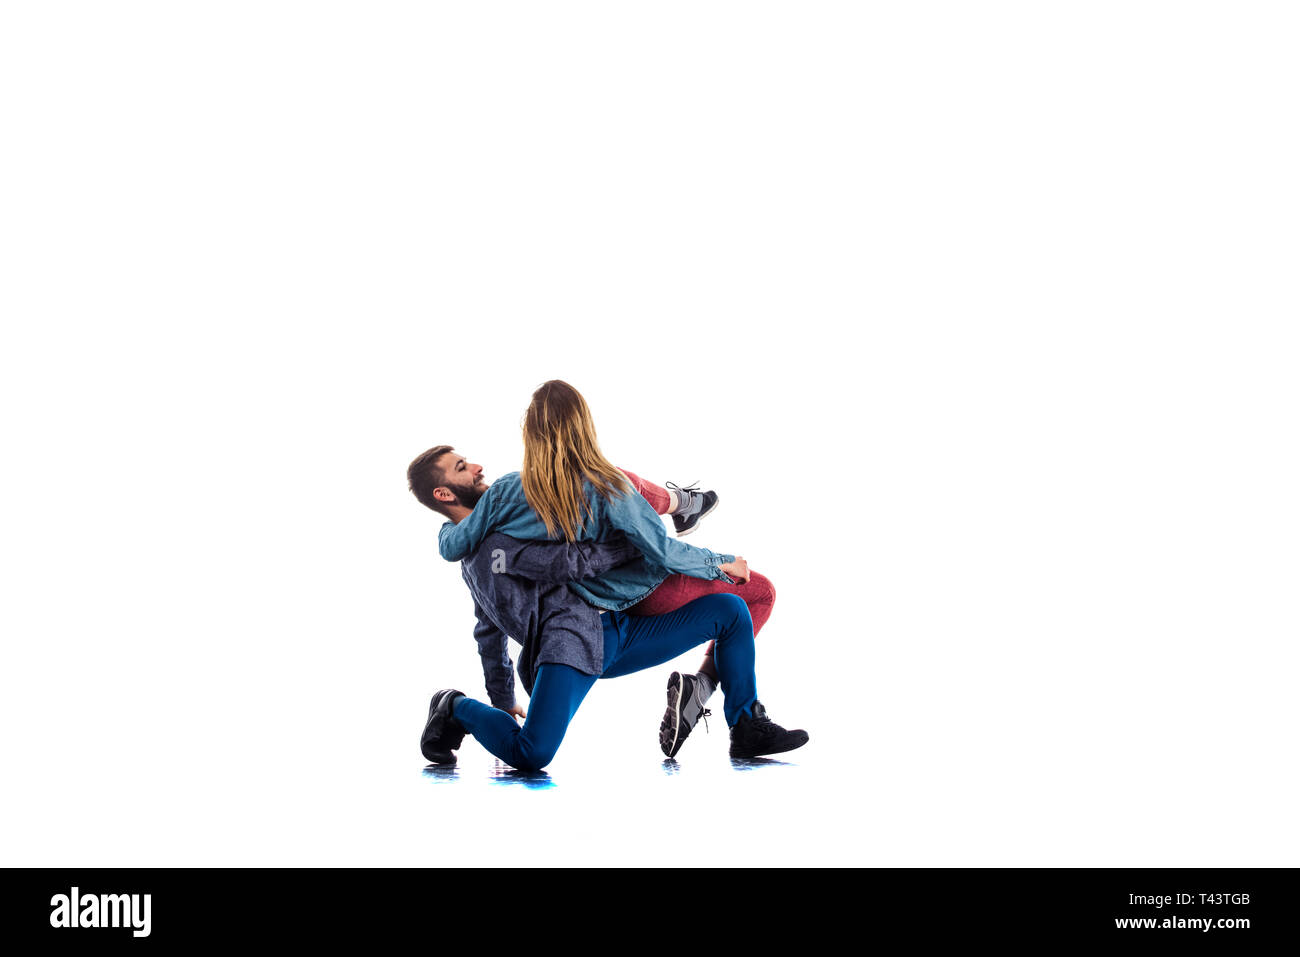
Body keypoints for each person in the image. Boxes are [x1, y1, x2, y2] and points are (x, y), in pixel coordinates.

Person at [410, 380, 806, 766]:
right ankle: (453, 706)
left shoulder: (509, 506)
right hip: (567, 642)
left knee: (731, 611)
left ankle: (745, 725)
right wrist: (647, 546)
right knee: (531, 754)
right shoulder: (495, 536)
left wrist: (500, 693)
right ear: (443, 494)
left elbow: (492, 616)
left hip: (615, 627)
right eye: (463, 468)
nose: (478, 467)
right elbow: (548, 576)